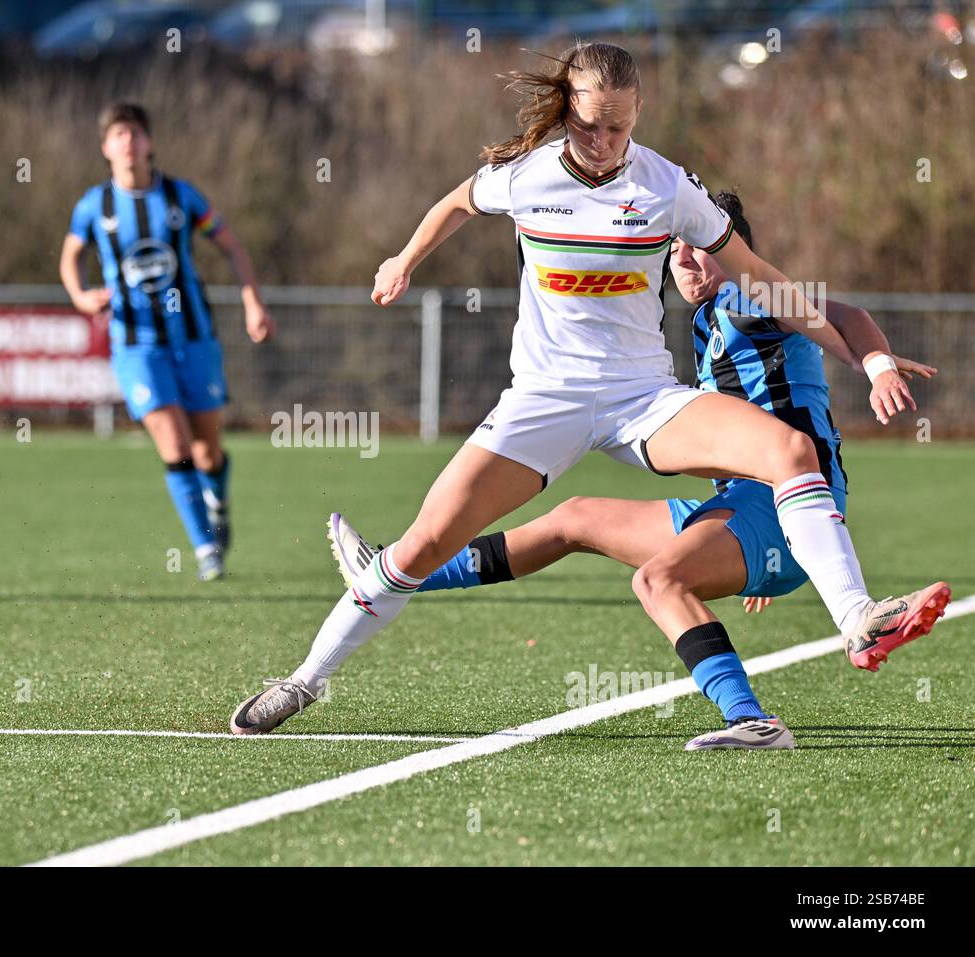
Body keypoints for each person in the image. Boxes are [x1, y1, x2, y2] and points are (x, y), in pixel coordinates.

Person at [229, 42, 946, 735]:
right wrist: (404, 258)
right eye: (587, 124)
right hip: (545, 401)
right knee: (419, 545)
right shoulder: (527, 176)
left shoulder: (667, 185)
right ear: (565, 108)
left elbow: (760, 274)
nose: (603, 140)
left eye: (619, 126)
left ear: (639, 114)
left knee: (791, 450)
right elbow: (456, 202)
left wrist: (865, 359)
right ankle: (303, 679)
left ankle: (857, 617)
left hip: (642, 398)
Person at [323, 191, 948, 751]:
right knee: (574, 520)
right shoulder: (709, 321)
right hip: (760, 507)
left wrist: (877, 367)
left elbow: (846, 315)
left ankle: (756, 717)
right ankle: (392, 571)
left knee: (657, 581)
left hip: (774, 504)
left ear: (735, 251)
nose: (687, 261)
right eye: (676, 250)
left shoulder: (745, 298)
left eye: (702, 248)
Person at [60, 103, 275, 581]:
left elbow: (231, 245)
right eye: (119, 134)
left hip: (194, 338)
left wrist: (253, 302)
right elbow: (70, 256)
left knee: (206, 450)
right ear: (105, 147)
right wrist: (80, 296)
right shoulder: (95, 206)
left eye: (135, 132)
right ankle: (205, 549)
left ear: (149, 141)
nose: (128, 142)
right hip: (137, 346)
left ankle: (217, 501)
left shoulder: (182, 198)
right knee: (173, 443)